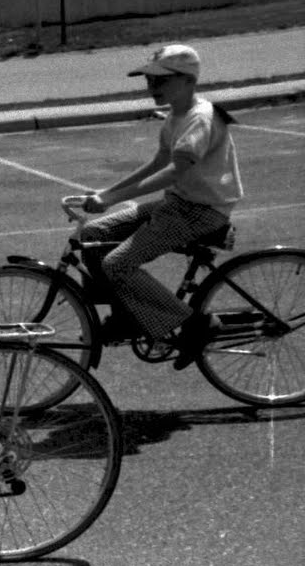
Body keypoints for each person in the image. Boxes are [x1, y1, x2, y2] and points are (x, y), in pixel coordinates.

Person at [78, 44, 243, 369]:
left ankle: (196, 324)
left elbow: (174, 171)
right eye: (149, 81)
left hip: (201, 211)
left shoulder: (200, 119)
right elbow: (159, 161)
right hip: (178, 203)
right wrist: (108, 191)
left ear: (187, 80)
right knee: (92, 234)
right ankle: (128, 315)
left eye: (160, 81)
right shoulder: (175, 117)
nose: (151, 88)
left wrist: (109, 199)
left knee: (116, 265)